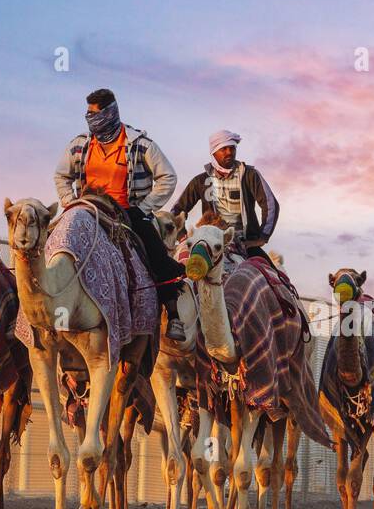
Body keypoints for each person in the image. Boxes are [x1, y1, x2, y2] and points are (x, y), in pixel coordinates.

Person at [54, 88, 186, 340]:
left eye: (94, 113)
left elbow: (168, 176)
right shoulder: (80, 145)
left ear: (109, 113)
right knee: (51, 243)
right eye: (88, 113)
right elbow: (61, 175)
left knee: (155, 255)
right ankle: (33, 313)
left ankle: (174, 316)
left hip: (125, 213)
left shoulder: (139, 144)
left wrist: (144, 208)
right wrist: (70, 202)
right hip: (86, 209)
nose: (90, 118)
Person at [171, 130, 279, 266]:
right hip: (210, 240)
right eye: (224, 149)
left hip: (244, 243)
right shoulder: (200, 181)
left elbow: (271, 205)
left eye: (232, 148)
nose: (229, 152)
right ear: (213, 153)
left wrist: (262, 237)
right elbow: (177, 210)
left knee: (273, 279)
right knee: (183, 272)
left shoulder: (249, 175)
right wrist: (182, 236)